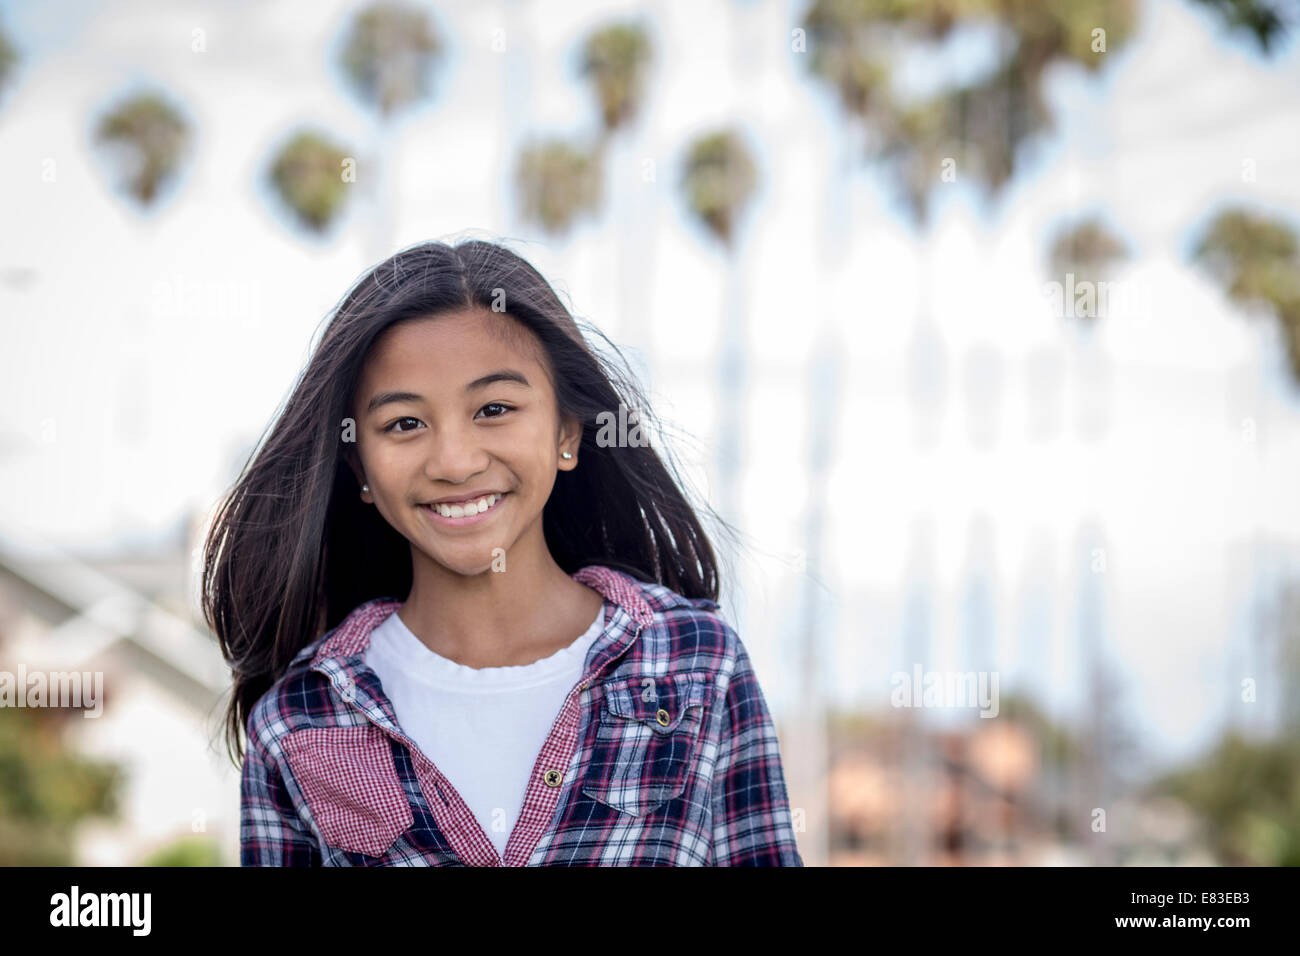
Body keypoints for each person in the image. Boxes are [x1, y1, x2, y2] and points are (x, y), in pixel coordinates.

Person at [203, 238, 802, 866]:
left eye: (494, 409)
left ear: (567, 432)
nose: (455, 462)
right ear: (359, 463)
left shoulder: (698, 667)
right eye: (405, 423)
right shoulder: (299, 720)